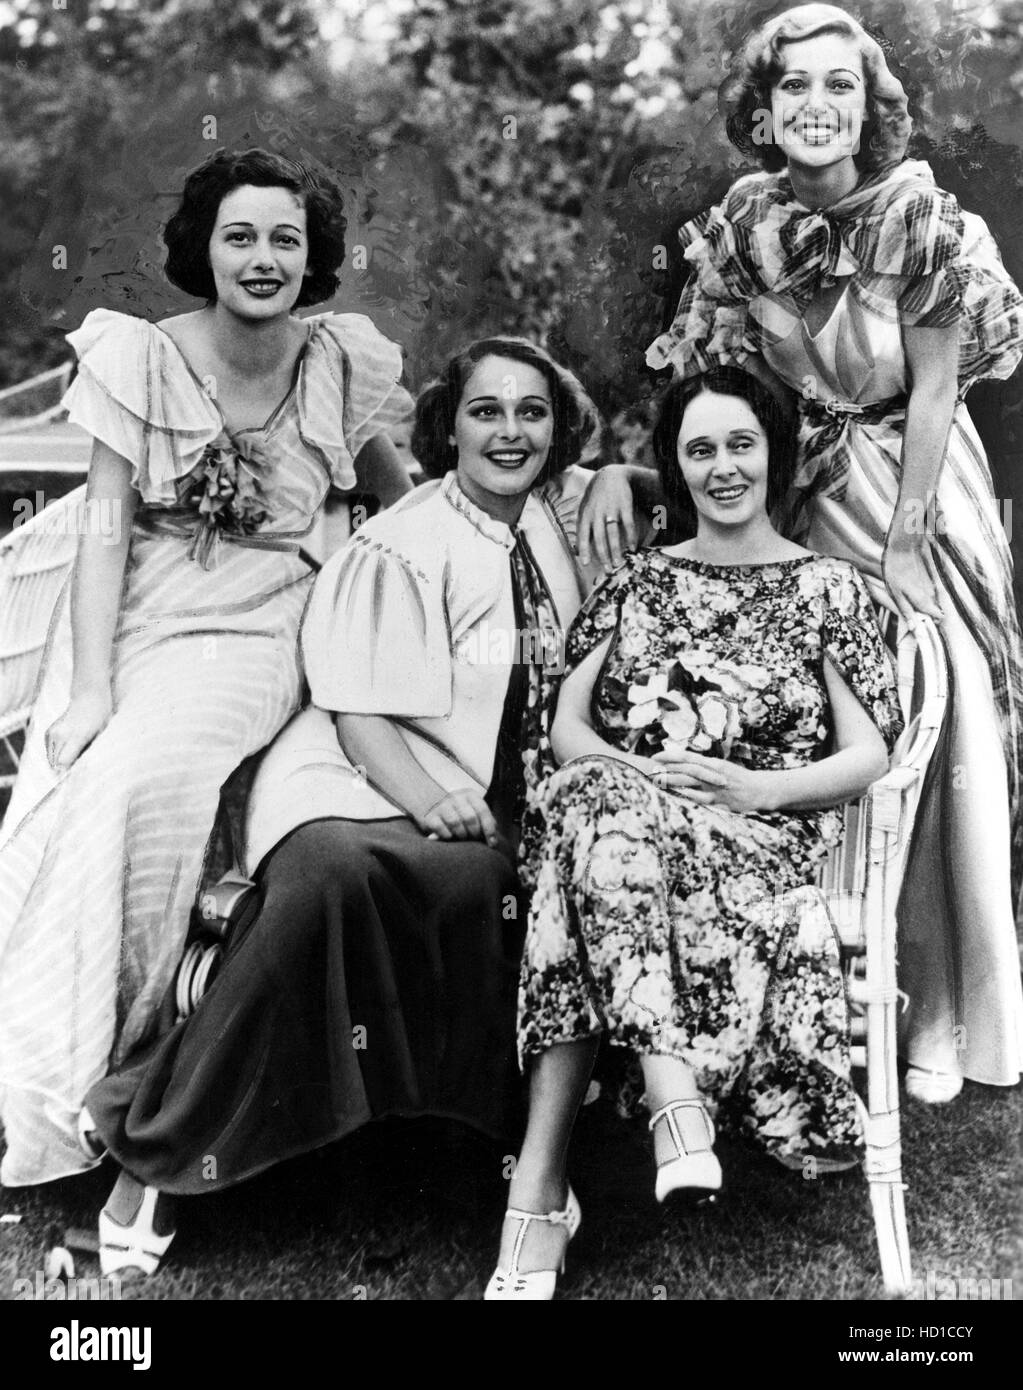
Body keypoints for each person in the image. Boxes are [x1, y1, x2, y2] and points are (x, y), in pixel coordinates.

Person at [82, 337, 604, 1278]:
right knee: (334, 883)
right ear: (446, 426)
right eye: (485, 411)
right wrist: (432, 797)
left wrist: (625, 475)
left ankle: (505, 1146)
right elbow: (358, 713)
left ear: (557, 429)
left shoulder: (555, 523)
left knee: (480, 885)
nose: (510, 432)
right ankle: (157, 1148)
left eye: (532, 412)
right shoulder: (400, 539)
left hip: (478, 798)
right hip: (355, 778)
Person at [598, 2, 1023, 1102]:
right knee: (833, 706)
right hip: (808, 488)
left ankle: (943, 1013)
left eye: (841, 86)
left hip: (907, 478)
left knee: (946, 692)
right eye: (795, 88)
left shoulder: (914, 214)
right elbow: (708, 389)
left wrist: (908, 551)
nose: (818, 106)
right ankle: (811, 998)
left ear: (867, 106)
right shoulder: (746, 220)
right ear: (764, 107)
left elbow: (929, 392)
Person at [0, 147, 412, 1189]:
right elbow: (101, 528)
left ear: (313, 256)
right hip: (133, 616)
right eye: (242, 236)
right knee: (74, 778)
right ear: (205, 249)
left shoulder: (338, 362)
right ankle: (43, 1074)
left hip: (263, 624)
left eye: (288, 239)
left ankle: (91, 1087)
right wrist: (90, 688)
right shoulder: (140, 357)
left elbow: (398, 500)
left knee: (143, 777)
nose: (265, 258)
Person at [485, 366, 903, 1300]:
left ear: (773, 455)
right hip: (627, 828)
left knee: (580, 860)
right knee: (597, 808)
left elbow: (868, 752)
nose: (722, 468)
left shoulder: (825, 588)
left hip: (754, 838)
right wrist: (632, 779)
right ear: (675, 467)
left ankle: (539, 1196)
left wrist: (752, 787)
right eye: (699, 449)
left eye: (740, 445)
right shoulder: (638, 581)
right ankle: (671, 1099)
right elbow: (567, 729)